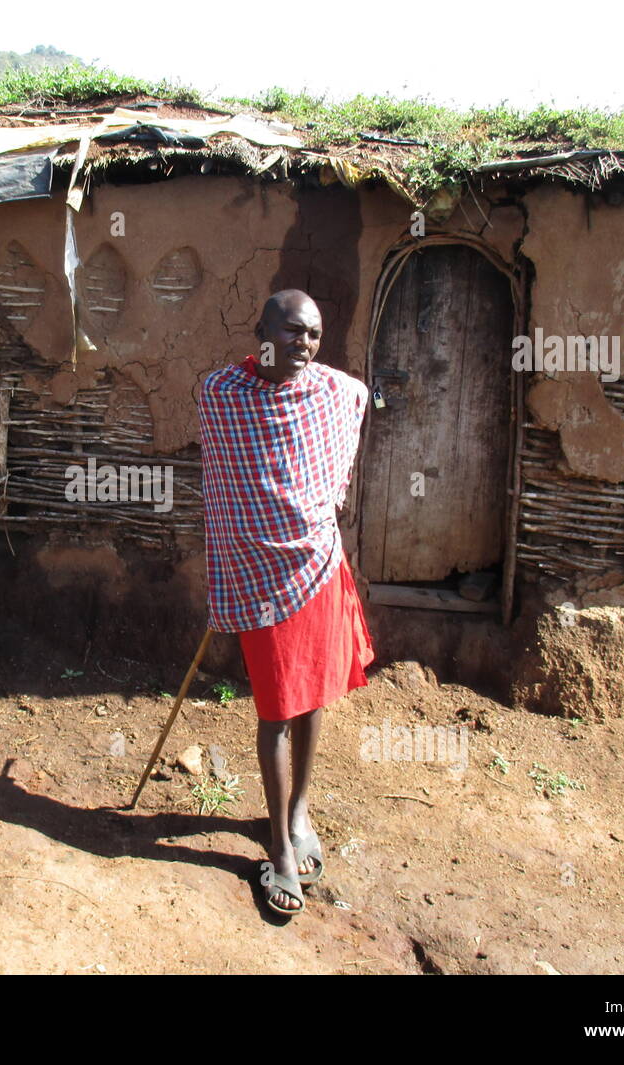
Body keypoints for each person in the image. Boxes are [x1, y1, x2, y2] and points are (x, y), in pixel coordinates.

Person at [197, 288, 373, 916]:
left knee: (313, 695)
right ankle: (277, 851)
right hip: (258, 574)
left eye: (315, 335)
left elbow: (358, 396)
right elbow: (228, 474)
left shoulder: (327, 392)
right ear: (262, 330)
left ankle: (299, 811)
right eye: (294, 331)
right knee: (275, 707)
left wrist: (323, 501)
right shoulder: (224, 395)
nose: (304, 344)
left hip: (317, 565)